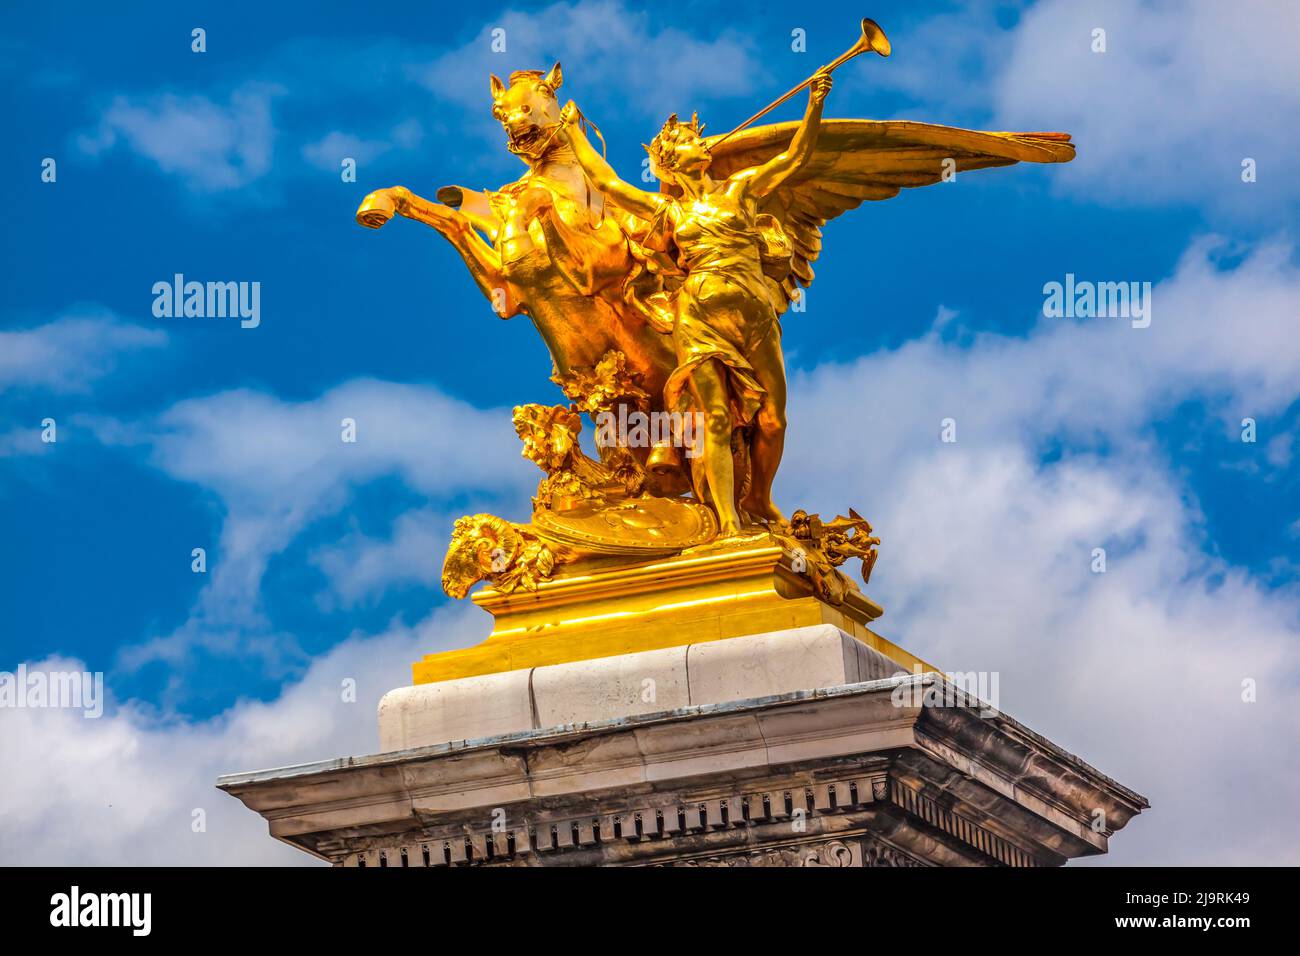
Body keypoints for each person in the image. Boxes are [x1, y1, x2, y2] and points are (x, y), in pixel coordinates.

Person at [552, 71, 832, 536]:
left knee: (773, 419)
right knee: (715, 419)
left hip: (755, 313)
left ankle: (759, 496)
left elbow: (796, 157)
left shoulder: (740, 190)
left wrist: (815, 105)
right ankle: (727, 525)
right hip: (698, 316)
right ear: (668, 161)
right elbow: (606, 182)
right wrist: (572, 134)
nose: (701, 143)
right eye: (687, 139)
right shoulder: (670, 212)